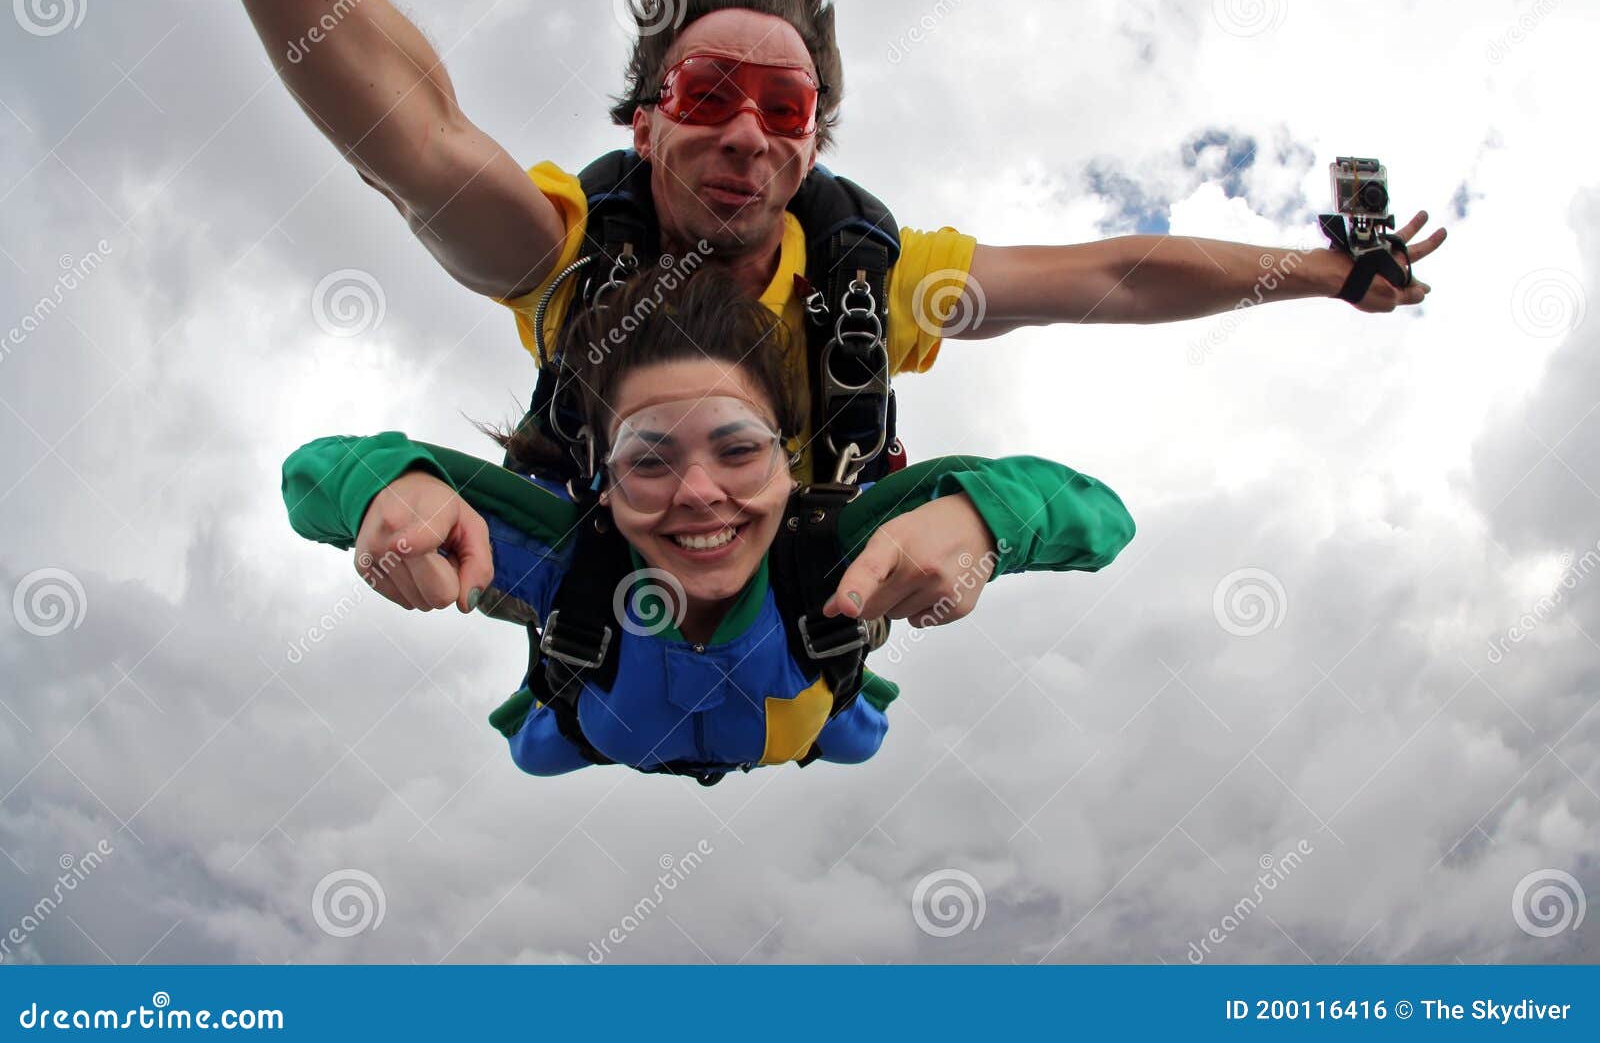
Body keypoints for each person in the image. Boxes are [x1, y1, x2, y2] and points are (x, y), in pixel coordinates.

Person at [142, 0, 1446, 623]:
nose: (747, 133)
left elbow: (1115, 273)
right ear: (642, 115)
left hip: (822, 559)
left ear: (817, 134)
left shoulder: (869, 278)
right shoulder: (570, 252)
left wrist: (1329, 274)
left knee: (1015, 499)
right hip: (613, 558)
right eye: (709, 88)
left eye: (789, 104)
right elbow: (414, 144)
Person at [280, 270, 1137, 783]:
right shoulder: (564, 556)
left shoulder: (838, 553)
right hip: (589, 724)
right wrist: (380, 491)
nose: (698, 493)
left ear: (785, 465)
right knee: (534, 750)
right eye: (650, 459)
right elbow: (310, 471)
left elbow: (1103, 514)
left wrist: (988, 513)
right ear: (605, 488)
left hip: (801, 715)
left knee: (855, 736)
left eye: (738, 450)